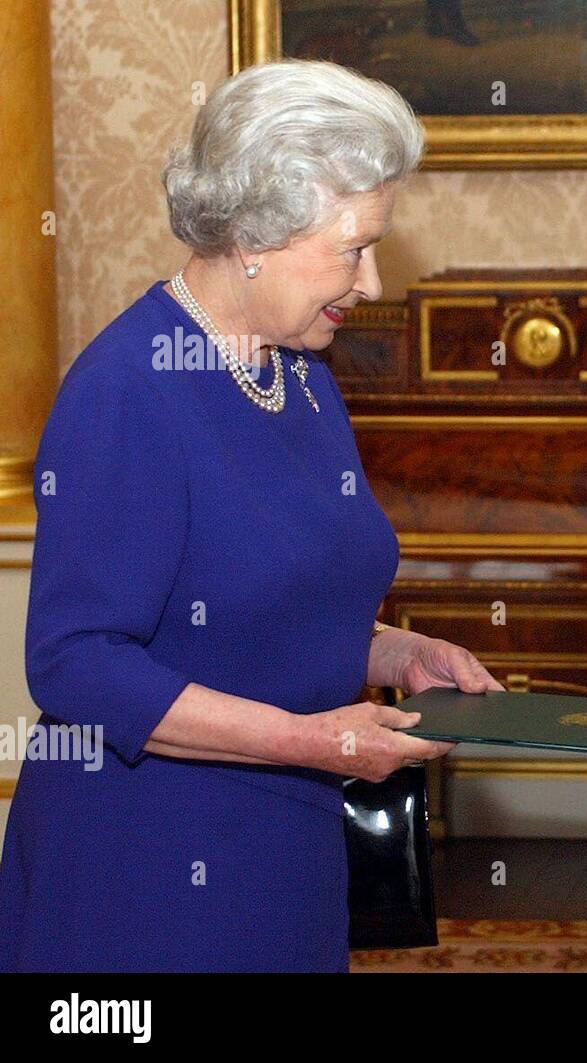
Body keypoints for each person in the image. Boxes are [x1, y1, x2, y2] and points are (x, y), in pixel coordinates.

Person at [0, 59, 502, 973]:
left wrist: (393, 652)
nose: (375, 283)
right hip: (144, 866)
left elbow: (252, 601)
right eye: (353, 249)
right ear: (253, 236)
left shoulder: (298, 372)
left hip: (286, 844)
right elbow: (76, 664)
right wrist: (312, 739)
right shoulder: (129, 391)